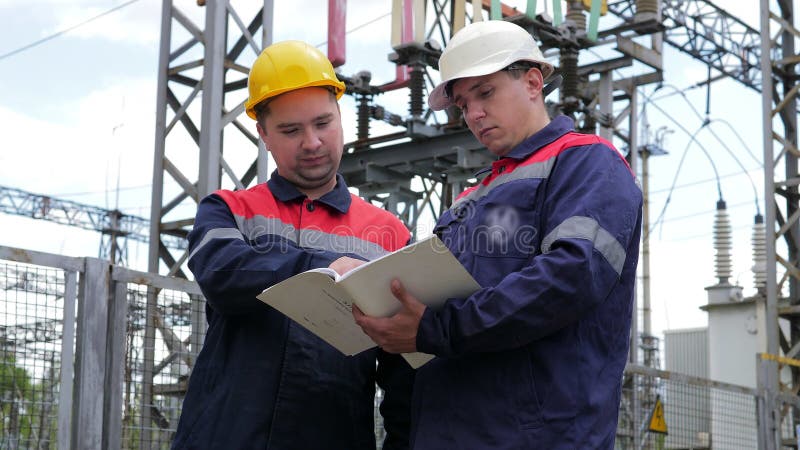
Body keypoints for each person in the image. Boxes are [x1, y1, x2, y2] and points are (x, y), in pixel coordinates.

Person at [353, 20, 643, 449]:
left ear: (532, 82)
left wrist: (439, 329)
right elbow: (428, 307)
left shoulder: (586, 162)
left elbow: (571, 276)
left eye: (485, 93)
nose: (473, 114)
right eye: (463, 103)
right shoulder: (467, 199)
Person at [172, 40, 414, 450]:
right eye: (290, 130)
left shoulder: (391, 235)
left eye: (323, 123)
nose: (313, 142)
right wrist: (327, 268)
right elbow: (223, 274)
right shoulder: (228, 210)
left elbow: (405, 367)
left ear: (341, 116)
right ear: (263, 134)